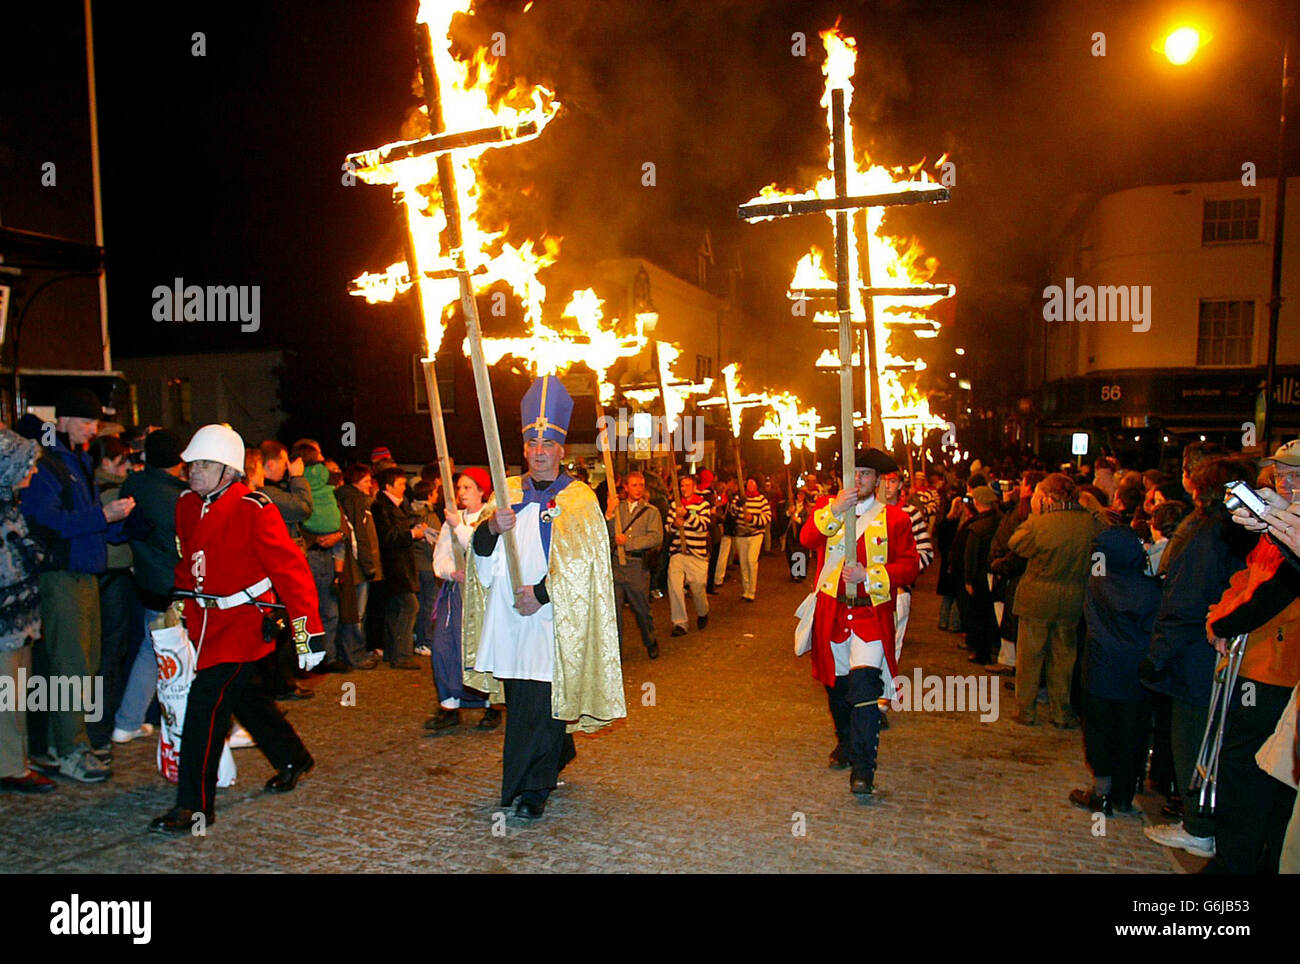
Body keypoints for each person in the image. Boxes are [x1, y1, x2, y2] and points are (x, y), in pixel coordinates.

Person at [462, 375, 625, 819]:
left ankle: (531, 788)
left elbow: (584, 569)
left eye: (547, 444)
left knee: (544, 701)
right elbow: (478, 553)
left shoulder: (579, 499)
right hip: (512, 619)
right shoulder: (506, 492)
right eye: (531, 443)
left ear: (561, 450)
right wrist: (491, 528)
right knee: (523, 701)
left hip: (554, 620)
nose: (538, 451)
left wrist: (540, 594)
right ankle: (556, 754)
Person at [149, 424, 324, 835]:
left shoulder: (254, 508)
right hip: (206, 624)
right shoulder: (187, 505)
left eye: (204, 464)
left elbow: (292, 573)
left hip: (243, 625)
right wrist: (177, 598)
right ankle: (293, 756)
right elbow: (191, 561)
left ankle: (194, 807)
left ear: (228, 470)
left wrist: (307, 634)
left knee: (204, 713)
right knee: (247, 702)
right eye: (192, 463)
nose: (193, 470)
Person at [1142, 456, 1257, 861]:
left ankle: (1198, 825)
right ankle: (1203, 820)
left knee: (1193, 738)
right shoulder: (1226, 531)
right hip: (1211, 648)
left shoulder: (1208, 535)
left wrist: (1158, 654)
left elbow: (1186, 600)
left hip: (1197, 651)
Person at [21, 388, 134, 783]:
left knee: (79, 664)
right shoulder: (50, 463)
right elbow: (50, 522)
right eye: (87, 421)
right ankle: (72, 750)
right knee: (72, 667)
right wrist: (104, 515)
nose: (93, 429)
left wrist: (117, 525)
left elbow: (83, 521)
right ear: (64, 420)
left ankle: (58, 744)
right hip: (62, 575)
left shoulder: (77, 460)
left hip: (85, 573)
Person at [800, 449, 920, 796]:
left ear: (878, 479)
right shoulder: (829, 510)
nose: (860, 480)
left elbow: (910, 566)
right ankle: (846, 742)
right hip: (832, 611)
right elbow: (808, 539)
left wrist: (870, 574)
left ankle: (865, 769)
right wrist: (835, 509)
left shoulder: (895, 519)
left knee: (865, 687)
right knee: (836, 687)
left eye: (866, 474)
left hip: (870, 611)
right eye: (854, 474)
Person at [1070, 483, 1161, 817]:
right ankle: (1123, 794)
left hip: (1102, 670)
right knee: (1131, 733)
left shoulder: (1098, 582)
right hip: (1137, 673)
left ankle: (1103, 792)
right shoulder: (1150, 589)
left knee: (1100, 731)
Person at [112, 429, 188, 744]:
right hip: (177, 585)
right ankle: (212, 722)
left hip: (146, 581)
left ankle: (127, 721)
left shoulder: (133, 485)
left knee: (149, 649)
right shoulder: (181, 497)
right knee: (192, 652)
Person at [1008, 473, 1101, 728]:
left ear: (1048, 498)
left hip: (1038, 597)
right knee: (1064, 658)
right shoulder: (1090, 523)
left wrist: (1034, 517)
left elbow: (1016, 544)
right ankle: (1061, 711)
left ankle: (1026, 710)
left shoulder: (1040, 523)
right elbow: (1098, 563)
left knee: (1030, 657)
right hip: (1073, 598)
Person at [0, 428, 54, 794]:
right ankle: (10, 765)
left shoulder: (9, 504)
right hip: (7, 619)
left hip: (19, 619)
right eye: (26, 466)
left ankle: (16, 757)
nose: (32, 472)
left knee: (16, 690)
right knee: (7, 692)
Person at [426, 468, 496, 732]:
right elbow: (440, 555)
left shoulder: (489, 518)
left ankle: (491, 705)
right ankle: (449, 705)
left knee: (480, 648)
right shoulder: (451, 521)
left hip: (483, 597)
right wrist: (450, 572)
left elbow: (484, 550)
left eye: (468, 487)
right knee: (445, 647)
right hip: (455, 594)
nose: (462, 493)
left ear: (481, 491)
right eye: (459, 488)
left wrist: (461, 528)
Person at [371, 467, 427, 670]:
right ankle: (401, 655)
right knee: (409, 606)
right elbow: (386, 537)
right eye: (401, 484)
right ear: (389, 486)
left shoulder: (394, 505)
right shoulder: (381, 507)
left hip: (400, 565)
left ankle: (393, 652)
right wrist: (411, 534)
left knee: (396, 609)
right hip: (395, 566)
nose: (404, 488)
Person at [607, 469, 663, 659]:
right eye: (634, 485)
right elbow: (605, 535)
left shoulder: (651, 512)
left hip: (636, 566)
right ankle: (616, 652)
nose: (638, 489)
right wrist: (608, 514)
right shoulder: (617, 508)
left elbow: (656, 537)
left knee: (641, 609)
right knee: (615, 612)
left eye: (641, 485)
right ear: (625, 487)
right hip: (616, 565)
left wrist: (629, 543)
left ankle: (650, 641)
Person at [334, 464, 381, 671]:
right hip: (356, 567)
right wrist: (369, 565)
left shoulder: (344, 498)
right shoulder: (356, 500)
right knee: (356, 614)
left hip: (349, 564)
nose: (369, 485)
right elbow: (359, 536)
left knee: (349, 613)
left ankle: (348, 654)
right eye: (366, 481)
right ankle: (355, 655)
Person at [961, 485, 1002, 666]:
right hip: (995, 573)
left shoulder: (977, 527)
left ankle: (981, 652)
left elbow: (970, 556)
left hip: (980, 576)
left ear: (976, 502)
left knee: (980, 615)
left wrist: (968, 579)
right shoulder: (999, 520)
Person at [666, 474, 712, 637]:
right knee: (675, 587)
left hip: (697, 553)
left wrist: (686, 516)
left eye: (687, 485)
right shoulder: (674, 505)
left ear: (694, 487)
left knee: (698, 587)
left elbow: (704, 526)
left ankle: (702, 612)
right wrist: (674, 524)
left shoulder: (703, 504)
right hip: (678, 552)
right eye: (682, 485)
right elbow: (669, 527)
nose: (684, 488)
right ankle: (680, 623)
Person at [727, 478, 772, 602]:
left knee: (752, 561)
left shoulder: (762, 500)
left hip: (755, 534)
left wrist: (753, 519)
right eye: (749, 483)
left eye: (754, 483)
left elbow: (767, 517)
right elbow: (732, 513)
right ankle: (745, 589)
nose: (751, 485)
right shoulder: (740, 498)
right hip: (741, 534)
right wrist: (737, 505)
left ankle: (752, 591)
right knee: (743, 562)